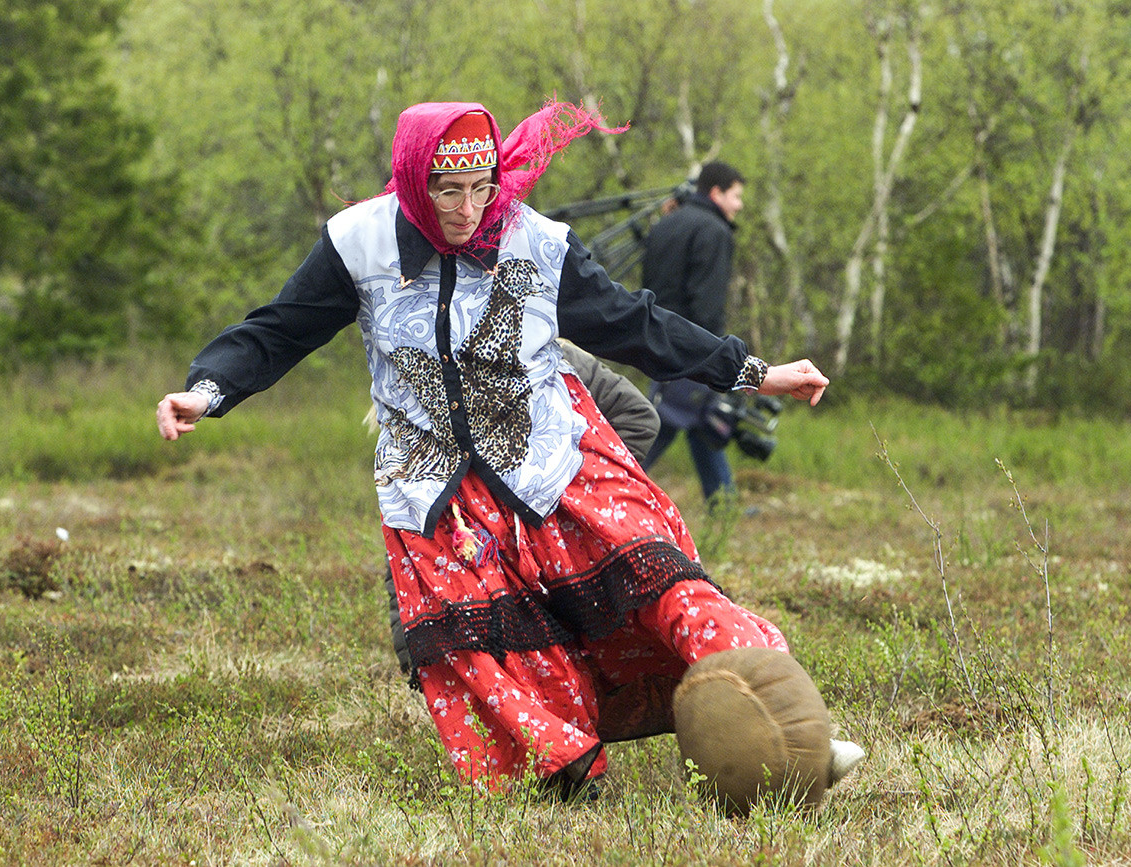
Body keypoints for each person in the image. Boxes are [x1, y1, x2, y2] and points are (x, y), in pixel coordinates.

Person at [156, 100, 846, 799]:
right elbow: (278, 330)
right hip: (434, 485)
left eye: (482, 188)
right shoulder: (356, 243)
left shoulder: (536, 241)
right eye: (448, 191)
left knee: (662, 583)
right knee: (475, 642)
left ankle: (791, 727)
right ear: (413, 179)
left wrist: (754, 372)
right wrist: (207, 390)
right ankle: (562, 771)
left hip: (554, 457)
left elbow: (633, 324)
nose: (468, 209)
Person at [384, 339, 660, 674]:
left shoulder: (548, 351)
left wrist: (577, 486)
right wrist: (415, 655)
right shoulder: (415, 417)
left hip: (576, 546)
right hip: (497, 573)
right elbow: (408, 554)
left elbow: (637, 419)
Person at [640, 161, 747, 504]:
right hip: (689, 346)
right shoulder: (714, 231)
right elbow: (707, 304)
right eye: (735, 196)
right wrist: (717, 355)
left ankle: (724, 503)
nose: (739, 205)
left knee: (704, 420)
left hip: (655, 337)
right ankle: (608, 488)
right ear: (716, 192)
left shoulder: (666, 223)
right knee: (664, 423)